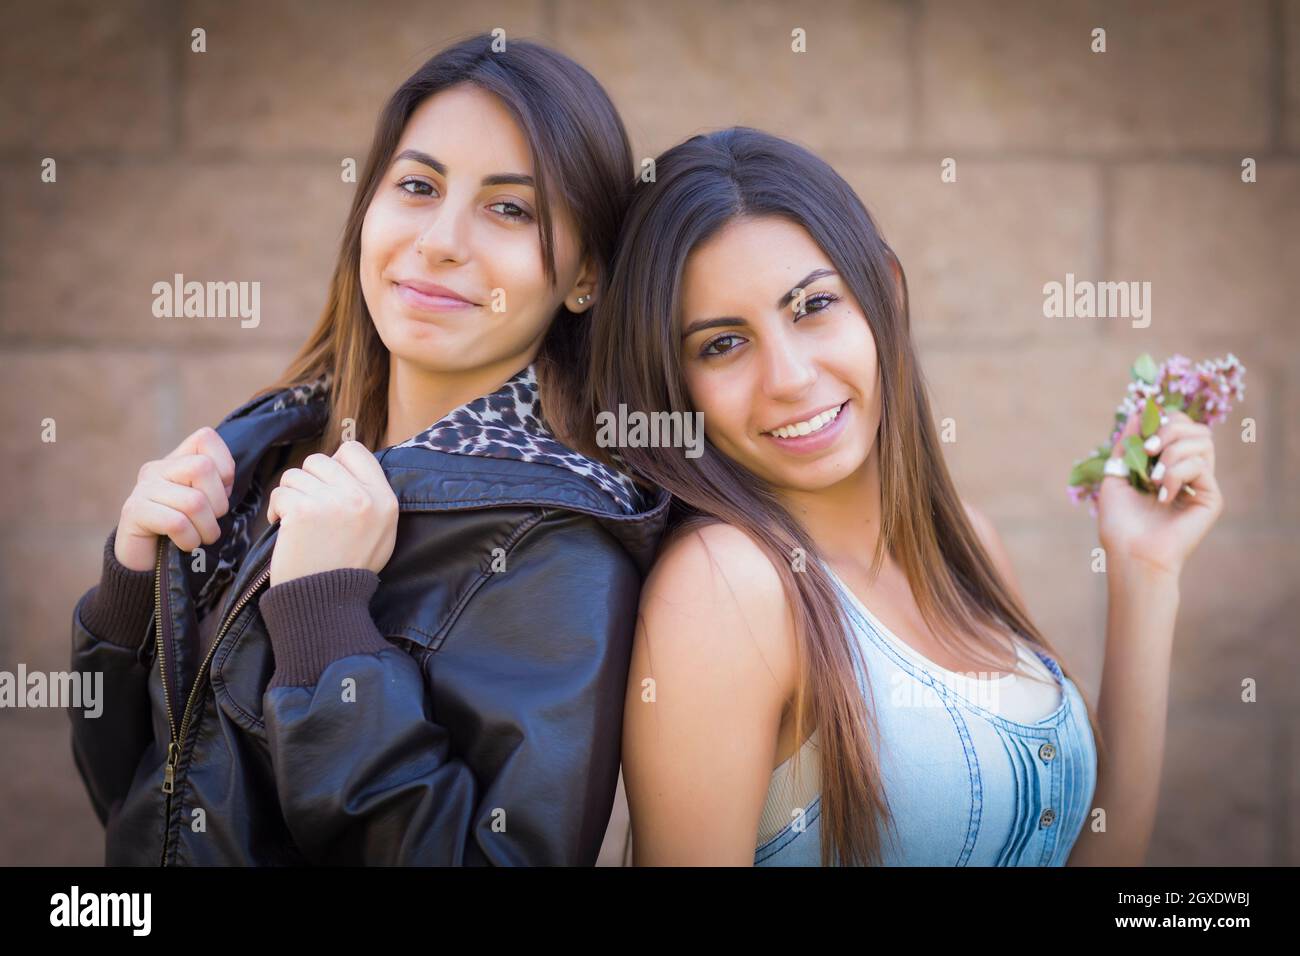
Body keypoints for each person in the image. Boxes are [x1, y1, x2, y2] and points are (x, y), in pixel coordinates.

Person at [68, 33, 668, 865]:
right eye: (418, 186)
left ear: (584, 277)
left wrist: (328, 620)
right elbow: (137, 804)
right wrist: (130, 593)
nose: (439, 240)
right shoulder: (271, 451)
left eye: (509, 208)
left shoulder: (556, 547)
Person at [584, 127, 1224, 865]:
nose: (789, 376)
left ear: (884, 291)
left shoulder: (969, 546)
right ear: (676, 385)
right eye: (722, 345)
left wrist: (1145, 575)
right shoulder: (726, 587)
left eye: (812, 306)